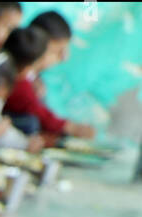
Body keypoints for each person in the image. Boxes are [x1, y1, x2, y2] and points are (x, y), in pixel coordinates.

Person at [5, 11, 95, 139]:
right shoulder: (18, 76)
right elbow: (34, 109)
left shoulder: (35, 79)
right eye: (57, 51)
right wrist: (70, 127)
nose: (64, 58)